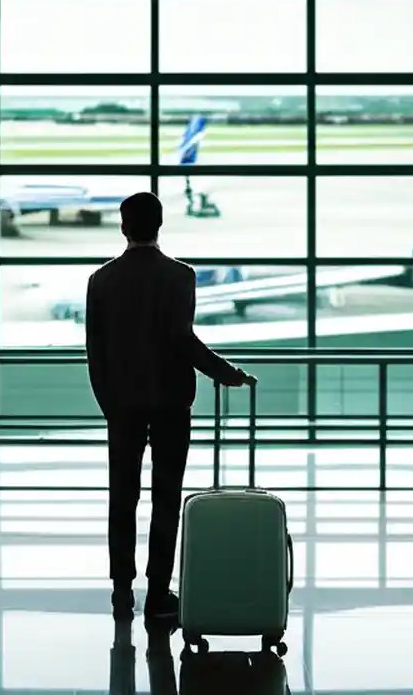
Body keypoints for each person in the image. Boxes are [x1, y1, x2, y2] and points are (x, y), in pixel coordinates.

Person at [85, 191, 255, 622]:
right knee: (166, 497)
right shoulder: (180, 277)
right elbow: (184, 342)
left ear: (123, 227)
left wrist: (110, 404)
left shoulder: (101, 281)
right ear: (159, 226)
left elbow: (95, 353)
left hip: (122, 406)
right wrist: (226, 373)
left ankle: (121, 589)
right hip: (171, 405)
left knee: (122, 497)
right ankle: (158, 592)